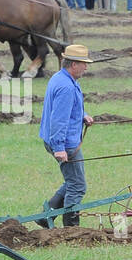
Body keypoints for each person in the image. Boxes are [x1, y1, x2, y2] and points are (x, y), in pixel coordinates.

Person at [38, 45, 95, 227]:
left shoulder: (62, 78)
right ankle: (71, 228)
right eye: (84, 64)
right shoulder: (66, 87)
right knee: (78, 186)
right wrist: (59, 147)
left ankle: (45, 217)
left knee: (72, 180)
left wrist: (82, 115)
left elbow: (68, 109)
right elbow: (59, 120)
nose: (86, 67)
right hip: (64, 143)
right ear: (74, 64)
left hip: (57, 140)